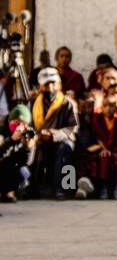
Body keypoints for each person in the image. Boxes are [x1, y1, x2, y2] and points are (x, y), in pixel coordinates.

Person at [29, 66, 79, 198]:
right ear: (40, 86)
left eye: (53, 83)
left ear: (59, 84)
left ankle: (64, 188)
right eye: (46, 84)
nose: (50, 87)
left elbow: (73, 128)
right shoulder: (33, 103)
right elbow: (28, 124)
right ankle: (32, 187)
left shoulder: (67, 103)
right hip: (39, 138)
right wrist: (36, 135)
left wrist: (53, 135)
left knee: (64, 148)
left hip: (61, 139)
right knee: (30, 147)